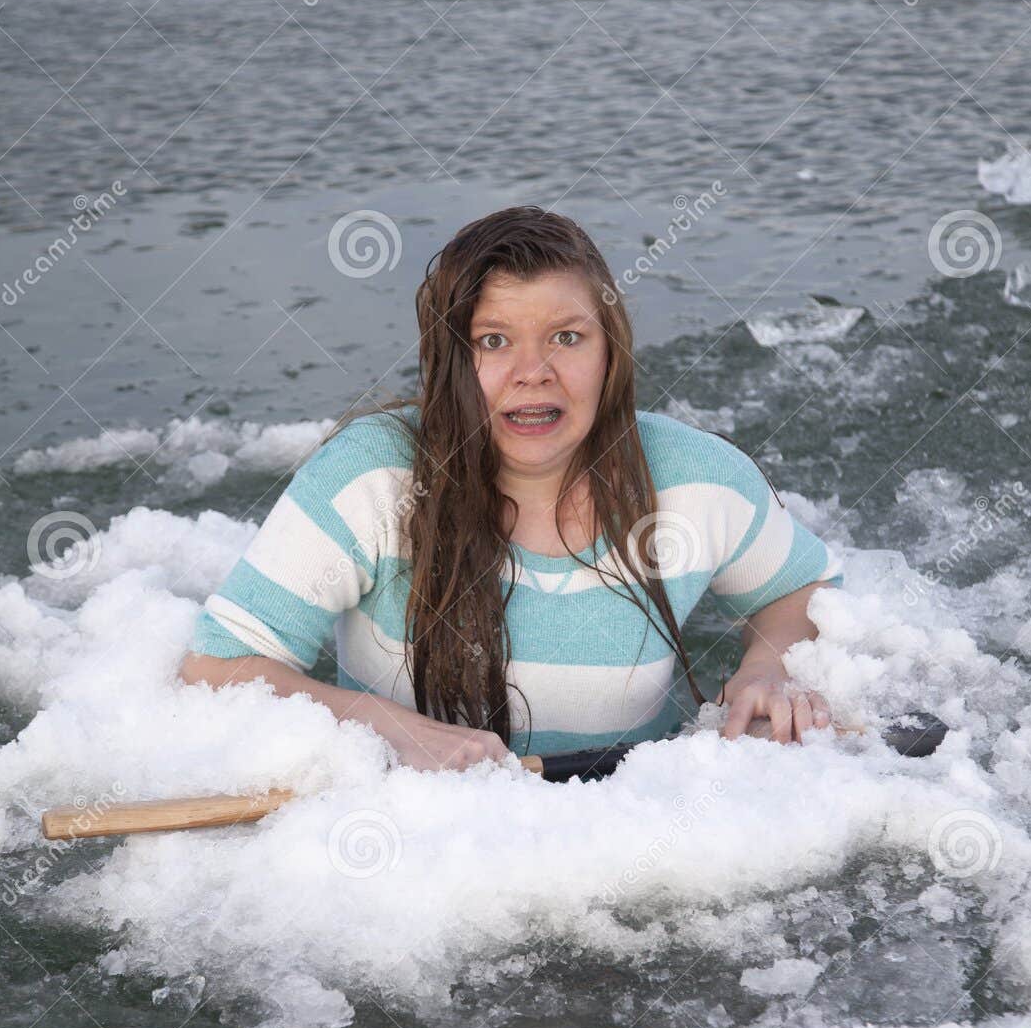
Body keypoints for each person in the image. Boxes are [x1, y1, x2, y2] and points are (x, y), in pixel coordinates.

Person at [179, 206, 842, 772]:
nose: (534, 372)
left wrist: (766, 669)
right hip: (429, 840)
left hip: (625, 826)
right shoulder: (372, 477)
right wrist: (389, 729)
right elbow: (217, 670)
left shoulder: (694, 480)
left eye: (566, 337)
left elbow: (801, 589)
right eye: (493, 340)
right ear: (449, 361)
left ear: (609, 352)